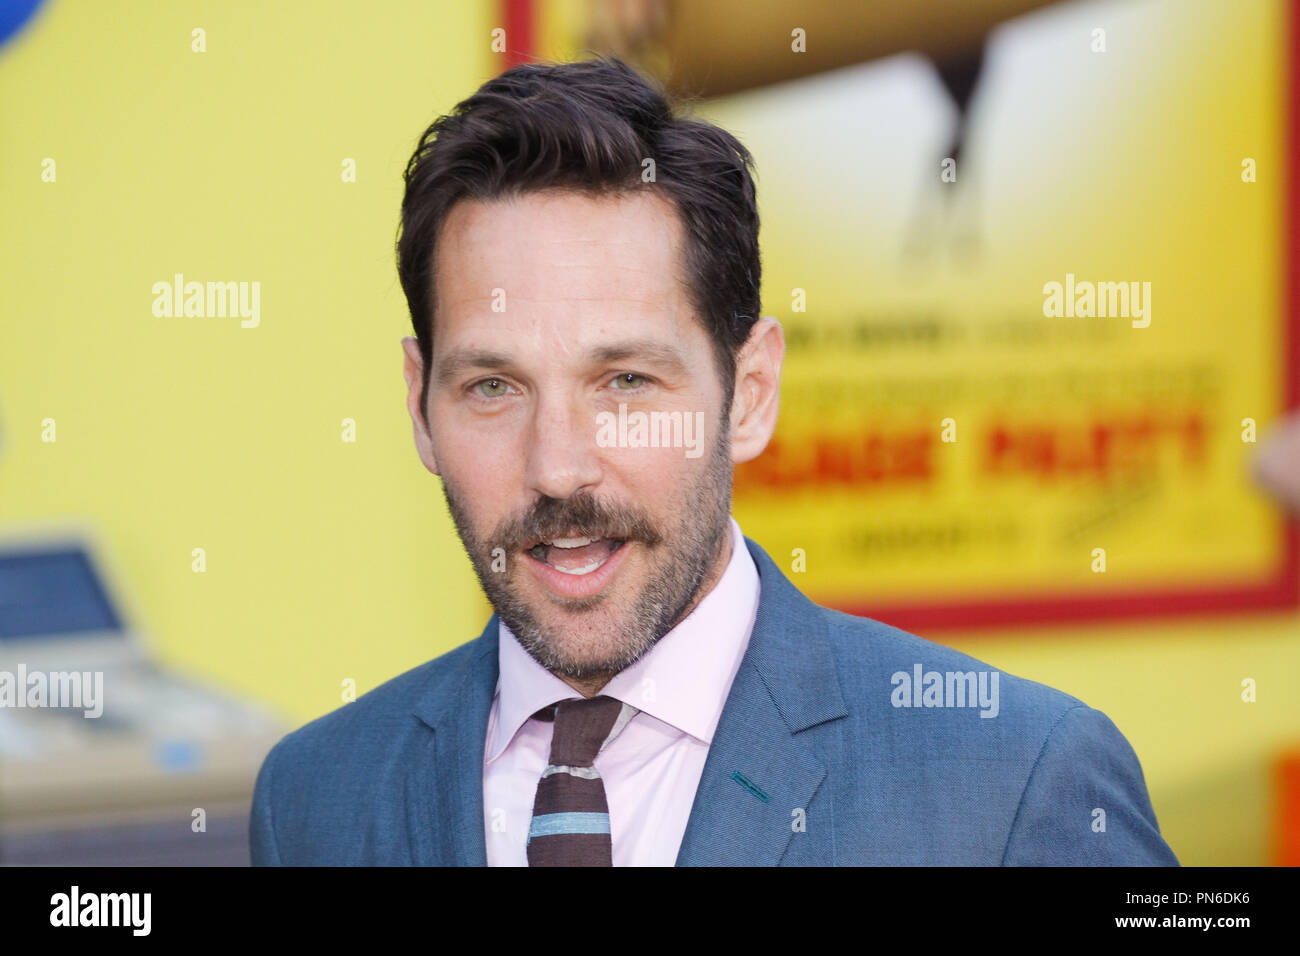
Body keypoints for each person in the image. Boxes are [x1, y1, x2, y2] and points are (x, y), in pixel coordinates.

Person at [249, 56, 1178, 866]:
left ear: (753, 392)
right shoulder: (316, 799)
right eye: (493, 387)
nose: (560, 469)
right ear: (419, 404)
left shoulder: (1016, 780)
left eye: (626, 382)